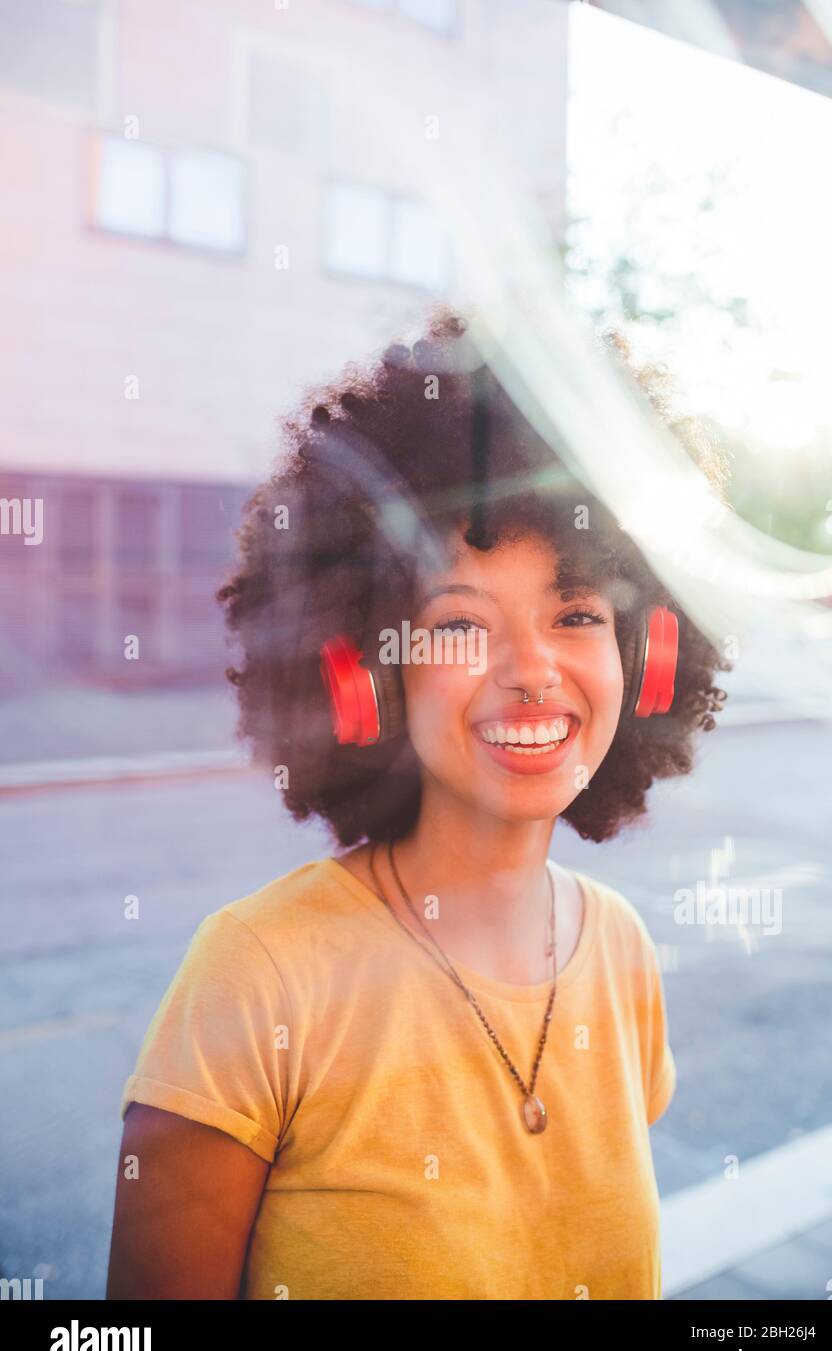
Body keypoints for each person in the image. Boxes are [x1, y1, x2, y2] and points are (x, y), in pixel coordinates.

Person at [106, 308, 730, 1300]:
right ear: (363, 672)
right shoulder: (258, 976)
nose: (531, 672)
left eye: (575, 614)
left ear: (647, 657)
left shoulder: (619, 950)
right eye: (456, 625)